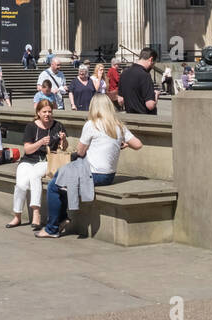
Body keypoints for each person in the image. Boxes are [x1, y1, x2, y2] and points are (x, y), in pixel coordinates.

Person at [38, 94, 143, 238]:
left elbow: (80, 152)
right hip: (109, 176)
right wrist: (121, 145)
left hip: (93, 173)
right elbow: (138, 145)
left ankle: (52, 228)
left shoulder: (91, 124)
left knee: (53, 185)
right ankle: (61, 219)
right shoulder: (118, 125)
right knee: (61, 177)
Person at [7, 99, 68, 230]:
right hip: (28, 160)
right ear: (38, 112)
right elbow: (27, 149)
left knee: (35, 176)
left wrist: (63, 139)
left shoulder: (58, 126)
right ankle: (17, 215)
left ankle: (36, 213)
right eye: (44, 112)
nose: (47, 114)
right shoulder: (31, 126)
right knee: (21, 184)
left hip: (47, 161)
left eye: (49, 112)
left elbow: (63, 148)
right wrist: (40, 142)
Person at [117, 48, 158, 115]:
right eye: (153, 63)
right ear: (151, 59)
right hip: (145, 118)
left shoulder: (124, 73)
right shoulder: (145, 75)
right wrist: (156, 95)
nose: (152, 66)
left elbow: (120, 100)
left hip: (130, 117)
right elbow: (150, 105)